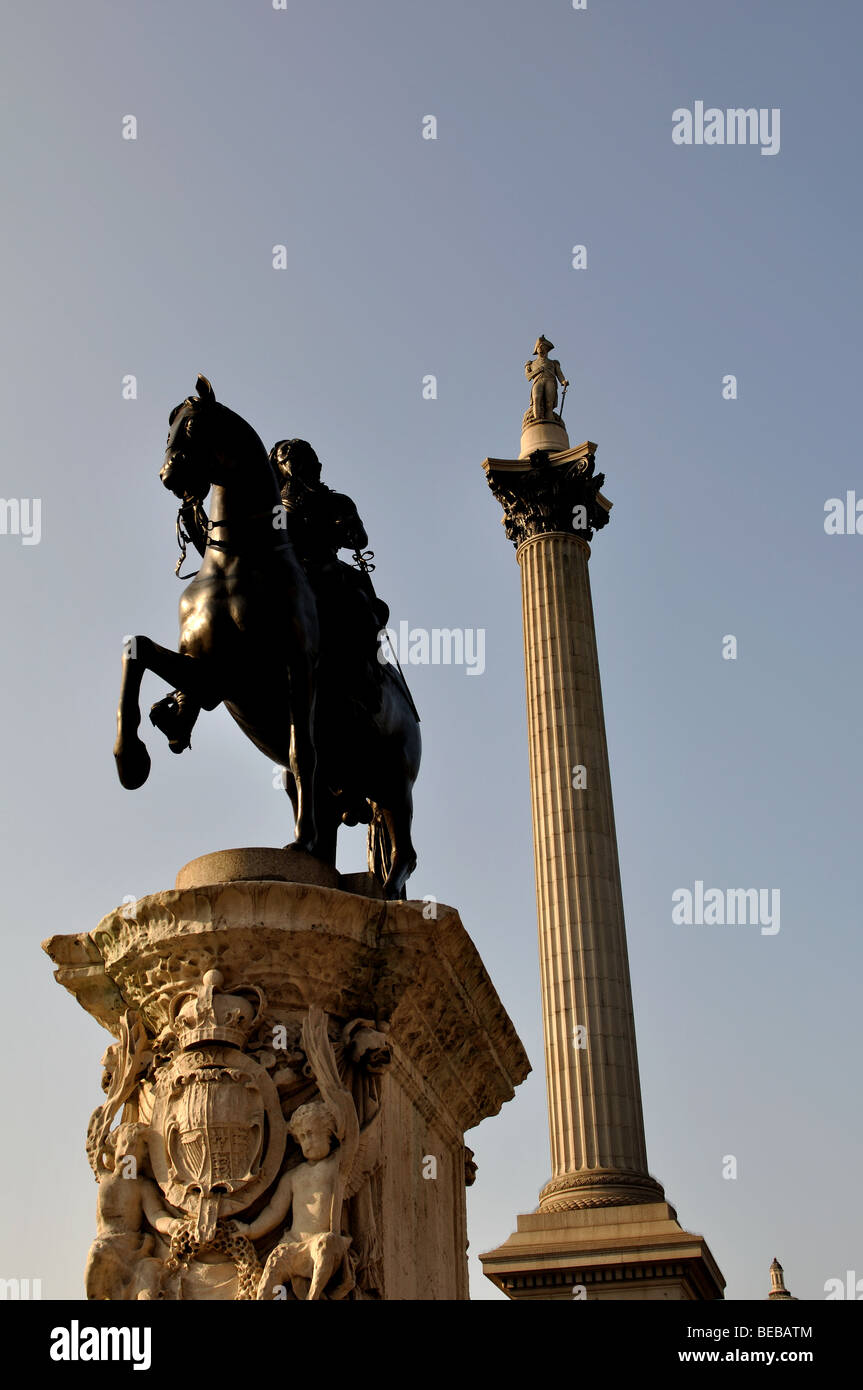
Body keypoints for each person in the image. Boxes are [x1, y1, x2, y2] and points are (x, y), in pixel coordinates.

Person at [525, 335, 569, 421]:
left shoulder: (553, 363)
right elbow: (528, 376)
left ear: (547, 349)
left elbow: (559, 374)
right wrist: (538, 371)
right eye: (539, 347)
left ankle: (550, 419)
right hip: (537, 381)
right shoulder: (531, 363)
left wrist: (563, 381)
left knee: (549, 402)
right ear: (536, 349)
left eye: (543, 347)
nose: (541, 349)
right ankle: (537, 418)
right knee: (536, 399)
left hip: (550, 381)